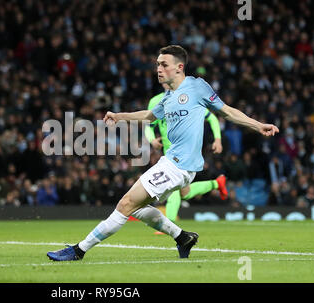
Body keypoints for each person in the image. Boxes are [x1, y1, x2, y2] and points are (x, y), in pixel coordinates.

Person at [47, 45, 279, 261]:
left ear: (179, 67)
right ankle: (182, 237)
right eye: (157, 64)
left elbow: (227, 111)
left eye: (164, 64)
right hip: (172, 163)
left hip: (178, 165)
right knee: (135, 208)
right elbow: (149, 116)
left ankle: (78, 250)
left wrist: (258, 125)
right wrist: (120, 116)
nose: (159, 69)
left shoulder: (197, 87)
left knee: (126, 203)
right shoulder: (167, 98)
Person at [145, 84, 227, 223]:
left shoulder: (188, 98)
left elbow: (211, 118)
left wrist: (217, 139)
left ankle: (168, 223)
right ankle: (216, 183)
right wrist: (152, 140)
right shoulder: (155, 101)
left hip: (187, 151)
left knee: (173, 186)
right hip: (169, 152)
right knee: (185, 192)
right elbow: (149, 126)